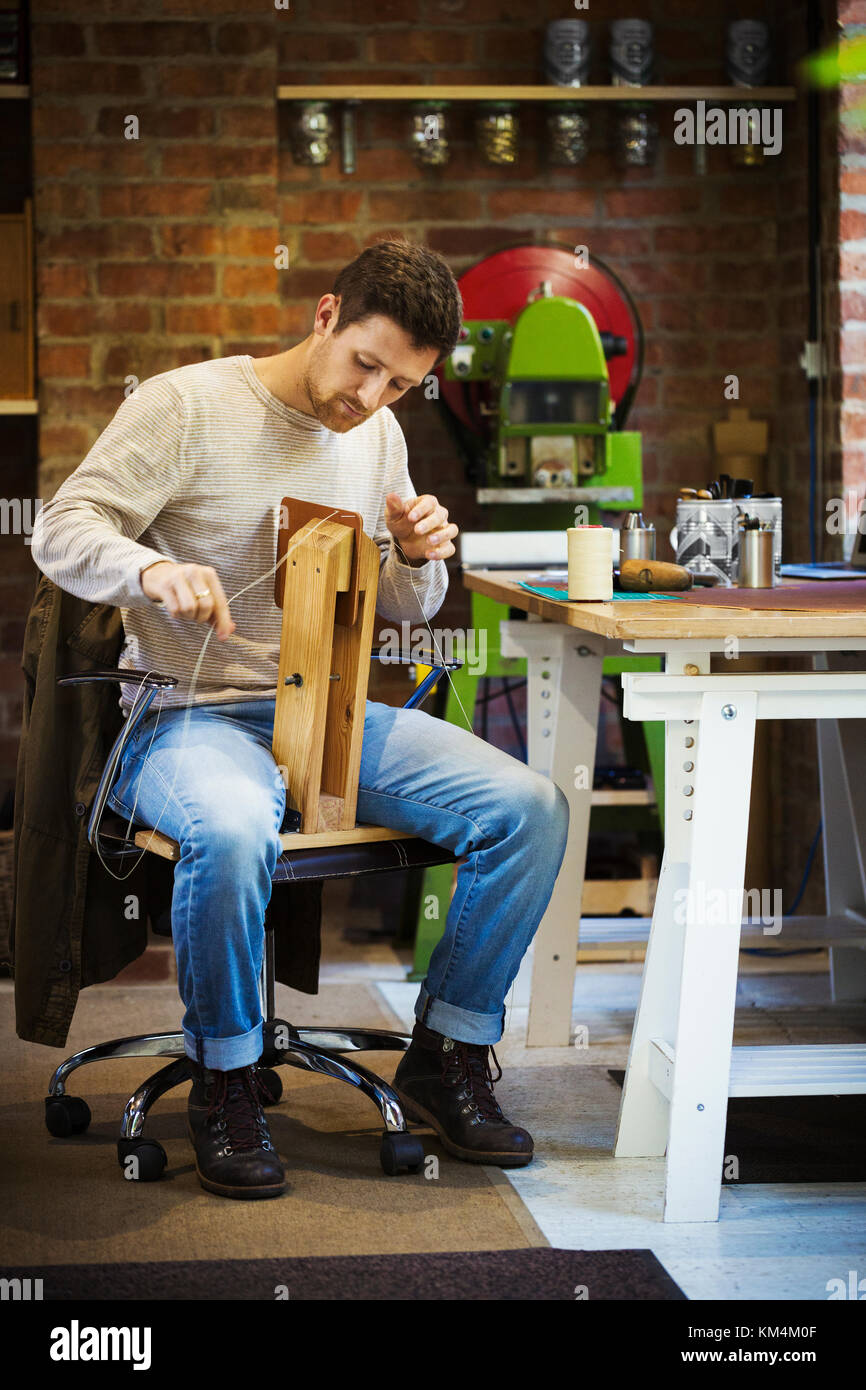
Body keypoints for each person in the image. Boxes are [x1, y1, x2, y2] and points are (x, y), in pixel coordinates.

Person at [30, 238, 570, 1200]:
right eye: (365, 363)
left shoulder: (379, 435)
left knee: (528, 806)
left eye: (401, 385)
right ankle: (227, 1078)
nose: (371, 397)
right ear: (325, 314)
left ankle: (445, 1057)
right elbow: (61, 528)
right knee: (234, 829)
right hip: (186, 716)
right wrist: (148, 570)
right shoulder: (184, 405)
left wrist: (420, 555)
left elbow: (406, 607)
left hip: (327, 713)